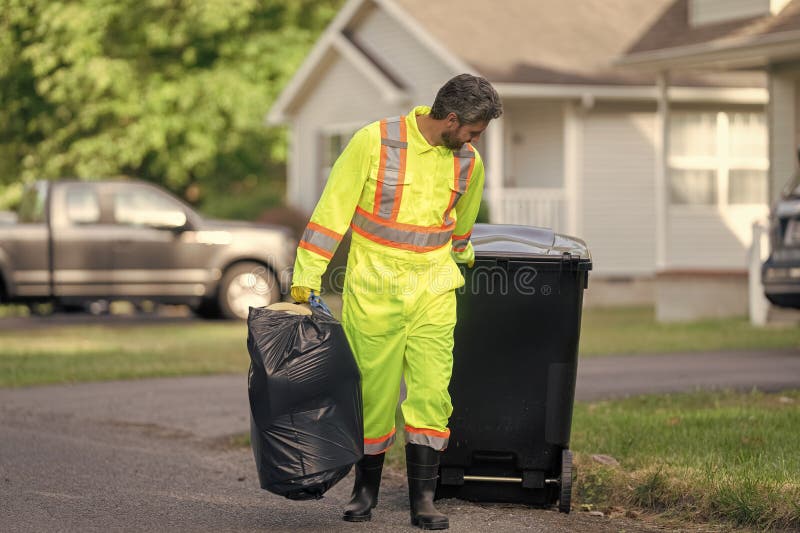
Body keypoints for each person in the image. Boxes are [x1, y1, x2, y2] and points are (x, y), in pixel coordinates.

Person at [290, 73, 502, 530]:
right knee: (373, 394)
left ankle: (422, 501)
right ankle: (364, 492)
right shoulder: (375, 141)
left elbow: (461, 229)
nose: (474, 140)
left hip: (434, 293)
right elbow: (332, 212)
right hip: (374, 292)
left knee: (431, 393)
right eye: (472, 130)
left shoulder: (469, 163)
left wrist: (463, 262)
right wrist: (306, 278)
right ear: (450, 118)